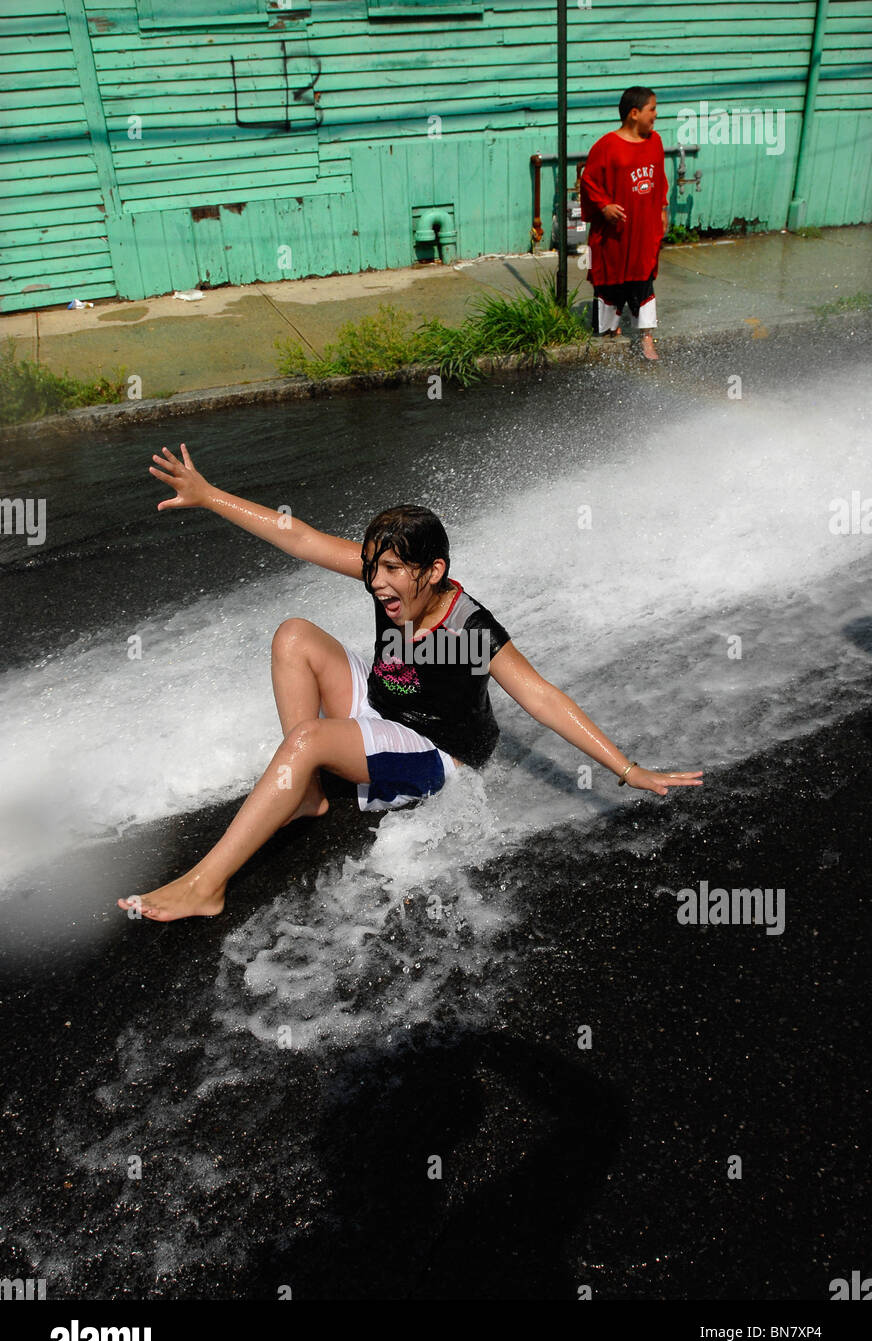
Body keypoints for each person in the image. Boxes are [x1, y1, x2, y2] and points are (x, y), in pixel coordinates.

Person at [117, 444, 702, 922]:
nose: (377, 585)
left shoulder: (470, 627)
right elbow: (301, 537)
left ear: (433, 572)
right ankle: (309, 793)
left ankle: (206, 883)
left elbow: (544, 697)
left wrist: (628, 770)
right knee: (293, 634)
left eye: (393, 572)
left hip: (438, 751)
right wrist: (209, 494)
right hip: (381, 706)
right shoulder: (389, 580)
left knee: (306, 742)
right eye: (373, 569)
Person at [580, 86, 669, 361]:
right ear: (634, 113)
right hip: (615, 232)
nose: (655, 115)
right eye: (651, 109)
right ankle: (609, 329)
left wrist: (663, 210)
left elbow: (660, 181)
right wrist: (604, 206)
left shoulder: (655, 142)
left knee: (643, 278)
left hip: (644, 228)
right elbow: (589, 180)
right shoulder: (606, 146)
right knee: (610, 278)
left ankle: (646, 337)